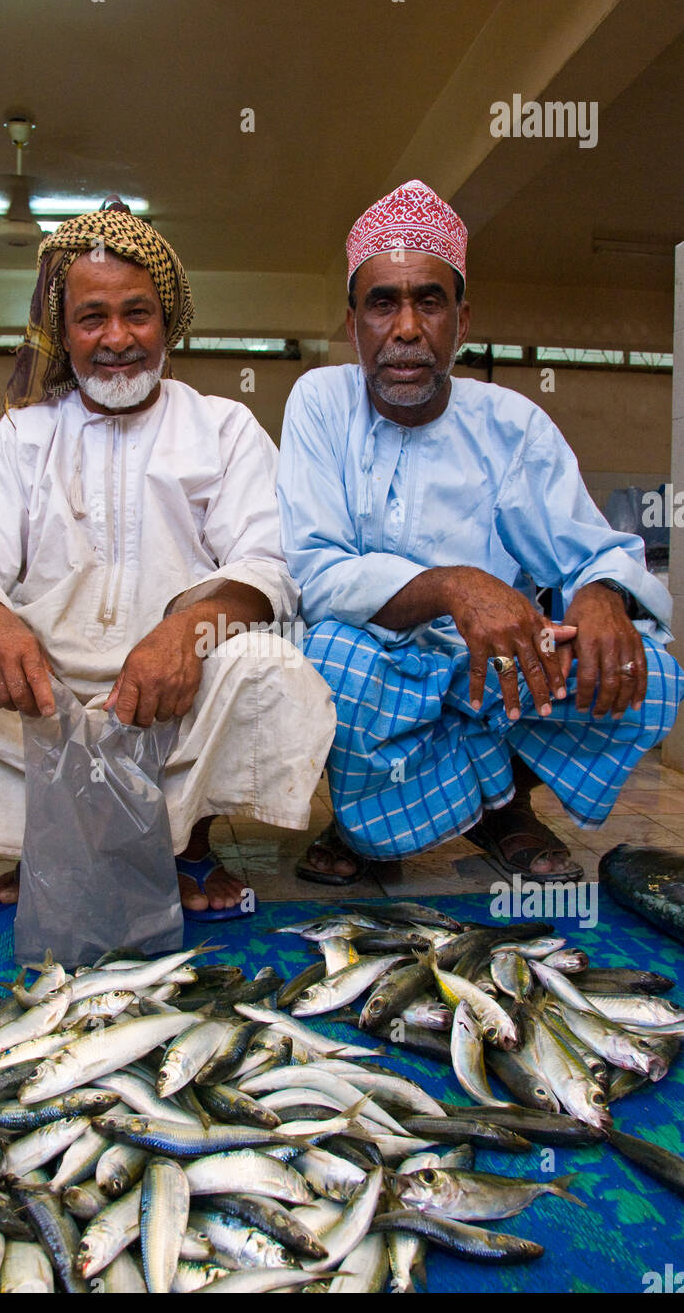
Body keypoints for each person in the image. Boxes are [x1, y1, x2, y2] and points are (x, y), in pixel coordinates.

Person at [0, 203, 335, 920]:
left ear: (170, 320)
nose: (116, 338)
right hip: (40, 693)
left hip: (173, 688)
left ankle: (179, 846)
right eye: (92, 318)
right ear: (62, 332)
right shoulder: (25, 435)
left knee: (275, 671)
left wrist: (188, 633)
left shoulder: (223, 425)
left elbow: (267, 563)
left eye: (137, 314)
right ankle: (45, 843)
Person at [277, 180, 683, 887]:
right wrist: (450, 586)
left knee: (645, 671)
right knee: (331, 655)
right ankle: (375, 819)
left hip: (498, 671)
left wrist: (601, 596)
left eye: (427, 302)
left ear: (460, 321)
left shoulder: (512, 423)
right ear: (353, 326)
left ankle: (504, 806)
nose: (406, 328)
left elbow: (595, 550)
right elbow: (315, 569)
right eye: (383, 303)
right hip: (384, 672)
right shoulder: (320, 401)